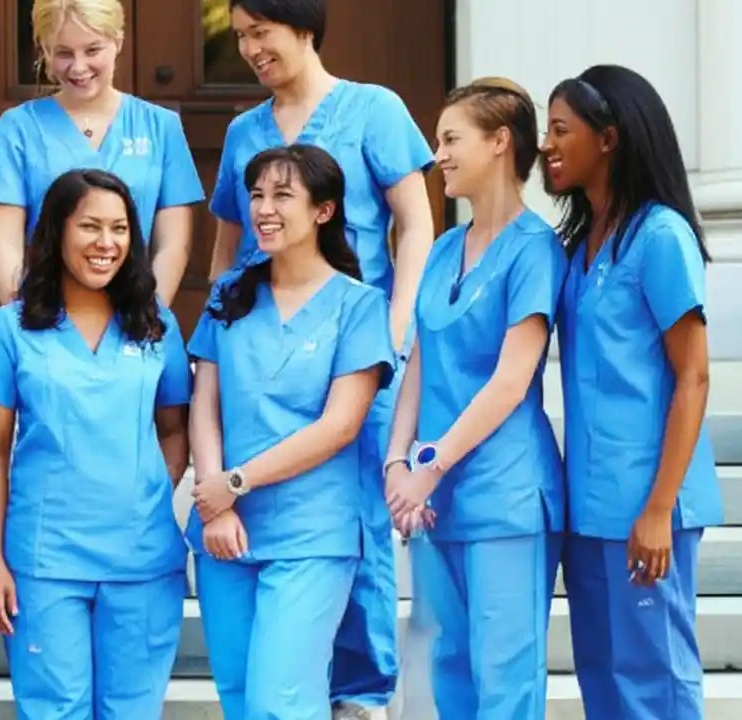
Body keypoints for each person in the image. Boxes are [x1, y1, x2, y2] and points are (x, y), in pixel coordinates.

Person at [209, 3, 437, 716]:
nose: (250, 48)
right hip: (258, 344)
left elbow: (417, 222)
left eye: (260, 33)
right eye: (241, 36)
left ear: (303, 27)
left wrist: (395, 334)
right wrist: (217, 324)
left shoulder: (373, 108)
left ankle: (360, 696)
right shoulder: (245, 131)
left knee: (357, 525)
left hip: (351, 351)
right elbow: (228, 246)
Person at [0, 168, 191, 718]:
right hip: (45, 562)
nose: (106, 243)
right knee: (54, 711)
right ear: (56, 231)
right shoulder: (11, 327)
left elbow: (174, 429)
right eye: (90, 226)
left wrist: (140, 494)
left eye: (119, 228)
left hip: (142, 560)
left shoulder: (156, 324)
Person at [188, 144, 394, 720]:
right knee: (237, 694)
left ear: (323, 211)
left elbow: (340, 425)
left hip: (311, 532)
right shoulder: (230, 293)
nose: (263, 209)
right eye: (256, 195)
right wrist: (214, 501)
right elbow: (206, 402)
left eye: (282, 195)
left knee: (279, 701)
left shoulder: (358, 306)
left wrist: (235, 481)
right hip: (224, 529)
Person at [380, 77, 565, 719]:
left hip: (505, 495)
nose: (439, 155)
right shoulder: (442, 249)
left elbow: (512, 379)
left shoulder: (535, 250)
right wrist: (397, 463)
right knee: (450, 671)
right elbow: (419, 367)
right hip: (438, 500)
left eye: (451, 139)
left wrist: (428, 469)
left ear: (500, 142)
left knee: (503, 678)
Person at [542, 64, 722, 719]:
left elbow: (694, 376)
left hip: (650, 503)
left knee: (657, 678)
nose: (547, 145)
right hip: (588, 507)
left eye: (562, 130)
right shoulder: (575, 246)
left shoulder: (661, 237)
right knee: (603, 674)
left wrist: (658, 509)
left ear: (609, 139)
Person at [0, 0, 204, 305]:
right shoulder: (18, 127)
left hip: (132, 313)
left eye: (92, 50)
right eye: (63, 53)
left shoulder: (160, 126)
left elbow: (173, 244)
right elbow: (2, 244)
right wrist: (25, 321)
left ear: (117, 42)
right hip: (47, 312)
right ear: (45, 51)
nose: (79, 67)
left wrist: (149, 317)